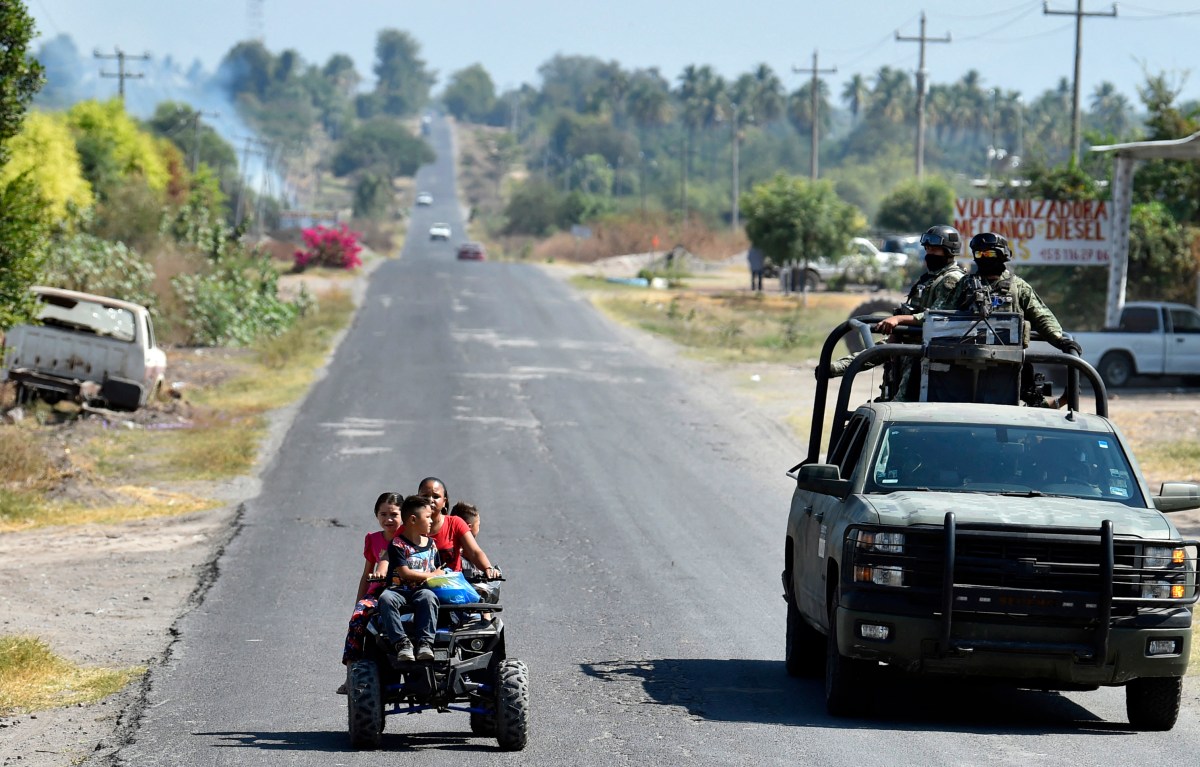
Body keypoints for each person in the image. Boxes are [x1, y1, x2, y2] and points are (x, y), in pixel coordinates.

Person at [827, 225, 966, 383]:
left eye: (934, 251)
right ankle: (834, 368)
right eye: (927, 250)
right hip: (912, 341)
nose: (929, 254)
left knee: (900, 397)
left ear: (949, 252)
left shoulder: (951, 279)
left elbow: (936, 316)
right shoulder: (932, 278)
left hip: (928, 349)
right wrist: (897, 331)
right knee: (876, 352)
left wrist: (899, 320)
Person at [947, 232, 1083, 356]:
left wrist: (1060, 340)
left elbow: (1041, 316)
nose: (983, 257)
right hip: (968, 357)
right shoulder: (965, 284)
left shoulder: (1018, 286)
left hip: (1009, 358)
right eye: (979, 254)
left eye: (989, 254)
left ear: (1002, 255)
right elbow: (944, 314)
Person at [339, 492, 404, 692]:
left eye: (393, 514)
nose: (388, 519)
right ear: (377, 516)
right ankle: (352, 676)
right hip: (377, 594)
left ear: (404, 515)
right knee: (358, 620)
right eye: (383, 514)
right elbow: (366, 574)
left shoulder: (410, 537)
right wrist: (359, 603)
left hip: (403, 591)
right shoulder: (373, 539)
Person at [371, 495, 447, 663]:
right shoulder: (397, 544)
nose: (431, 521)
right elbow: (405, 573)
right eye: (427, 517)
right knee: (385, 599)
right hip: (398, 590)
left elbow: (437, 570)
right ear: (413, 519)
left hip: (422, 590)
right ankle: (402, 643)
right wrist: (432, 575)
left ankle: (425, 643)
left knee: (429, 597)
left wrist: (437, 576)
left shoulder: (432, 544)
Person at [415, 477, 500, 580]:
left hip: (453, 587)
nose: (430, 500)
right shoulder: (409, 527)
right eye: (425, 496)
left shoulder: (455, 523)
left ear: (444, 502)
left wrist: (488, 568)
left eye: (436, 496)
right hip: (420, 587)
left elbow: (474, 552)